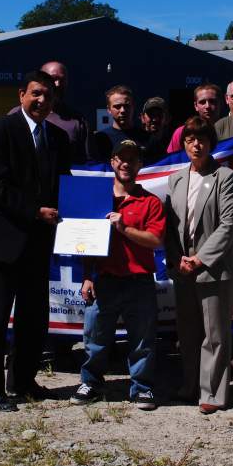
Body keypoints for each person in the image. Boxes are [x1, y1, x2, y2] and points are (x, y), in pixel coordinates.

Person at [0, 71, 71, 412]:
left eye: (48, 95)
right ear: (22, 95)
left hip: (39, 242)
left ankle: (23, 381)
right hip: (4, 240)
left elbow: (65, 185)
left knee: (33, 318)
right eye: (36, 93)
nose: (42, 100)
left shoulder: (58, 137)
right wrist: (34, 212)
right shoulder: (1, 128)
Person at [71, 140, 166, 411]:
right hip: (104, 279)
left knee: (142, 341)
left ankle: (142, 388)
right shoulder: (97, 199)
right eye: (121, 158)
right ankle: (91, 382)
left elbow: (155, 240)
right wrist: (87, 276)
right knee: (95, 338)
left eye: (132, 159)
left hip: (139, 281)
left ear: (140, 165)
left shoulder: (150, 202)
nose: (126, 163)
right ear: (113, 162)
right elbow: (85, 241)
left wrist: (124, 228)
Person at [165, 117, 233, 414]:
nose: (196, 145)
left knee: (215, 334)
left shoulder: (225, 176)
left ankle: (213, 393)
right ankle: (190, 385)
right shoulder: (176, 179)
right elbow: (171, 226)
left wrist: (200, 258)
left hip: (213, 267)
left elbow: (229, 224)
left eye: (202, 139)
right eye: (190, 139)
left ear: (211, 143)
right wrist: (178, 259)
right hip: (183, 269)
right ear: (183, 144)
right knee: (188, 333)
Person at [9, 62, 91, 163]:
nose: (57, 84)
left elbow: (89, 162)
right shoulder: (15, 115)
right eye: (53, 78)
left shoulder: (78, 120)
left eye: (62, 80)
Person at [90, 85, 150, 162]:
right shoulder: (99, 139)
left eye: (127, 106)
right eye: (117, 106)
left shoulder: (147, 137)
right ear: (108, 110)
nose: (123, 110)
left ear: (133, 107)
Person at [168, 83, 223, 153]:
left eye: (212, 101)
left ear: (221, 103)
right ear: (196, 106)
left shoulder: (231, 130)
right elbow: (172, 159)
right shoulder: (181, 132)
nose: (207, 106)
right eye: (202, 102)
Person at [139, 96, 175, 162]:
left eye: (159, 115)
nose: (155, 119)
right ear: (142, 118)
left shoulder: (173, 144)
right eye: (151, 115)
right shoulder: (135, 143)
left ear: (167, 118)